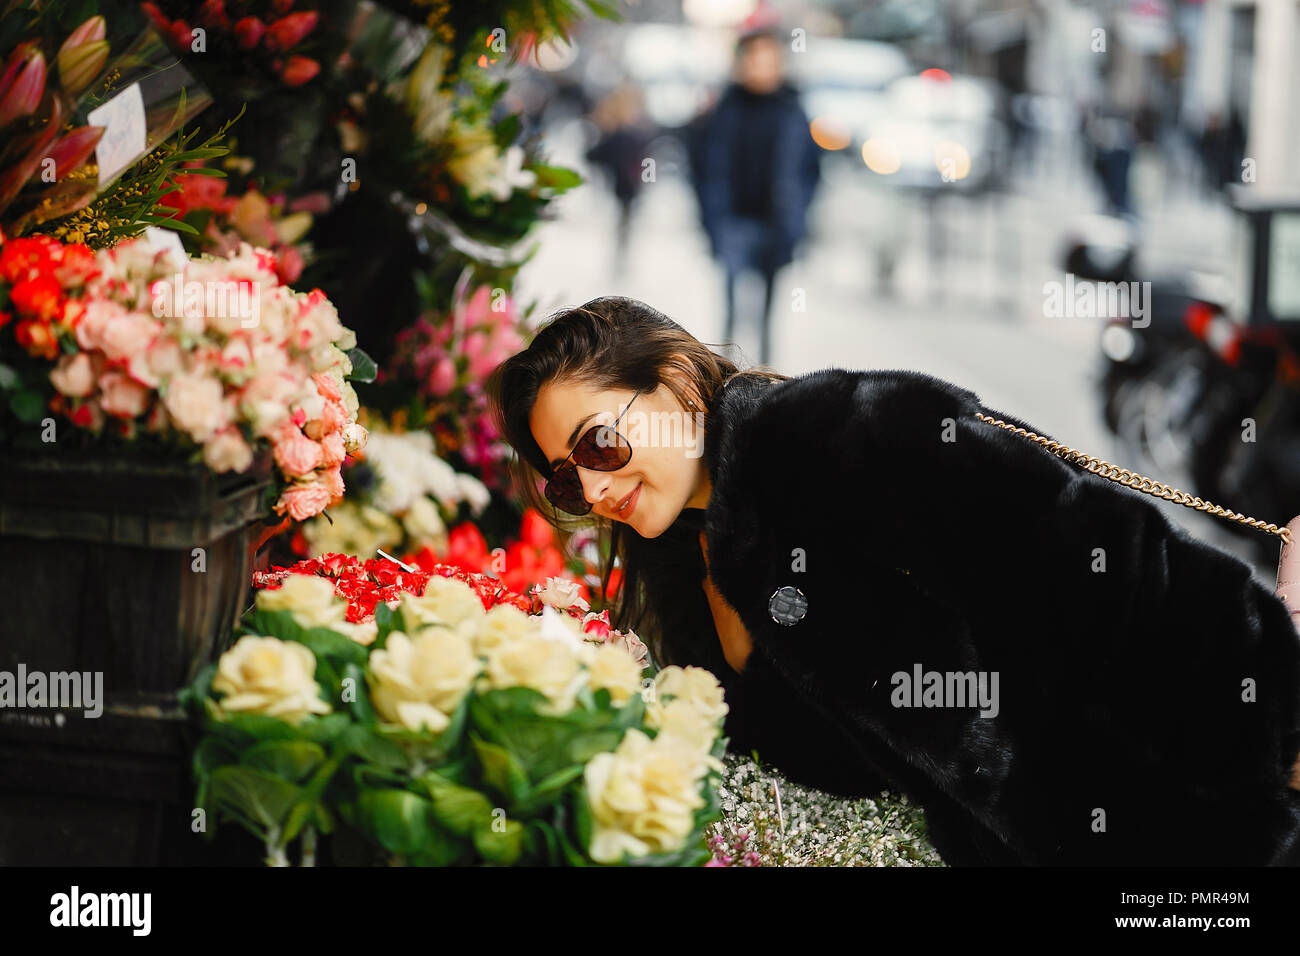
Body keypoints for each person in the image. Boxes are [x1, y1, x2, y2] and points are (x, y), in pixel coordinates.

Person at [487, 295, 1300, 866]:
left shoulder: (827, 435)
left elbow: (1105, 561)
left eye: (598, 445)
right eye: (565, 481)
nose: (591, 492)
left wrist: (1279, 713)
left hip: (1201, 820)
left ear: (671, 379)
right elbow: (854, 765)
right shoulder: (697, 561)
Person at [694, 17, 820, 366]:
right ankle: (724, 376)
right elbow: (702, 165)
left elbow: (812, 169)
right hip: (733, 220)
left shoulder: (792, 110)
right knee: (732, 304)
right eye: (754, 58)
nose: (762, 66)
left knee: (767, 312)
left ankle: (765, 379)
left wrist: (799, 215)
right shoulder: (724, 108)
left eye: (769, 58)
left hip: (776, 223)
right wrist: (709, 216)